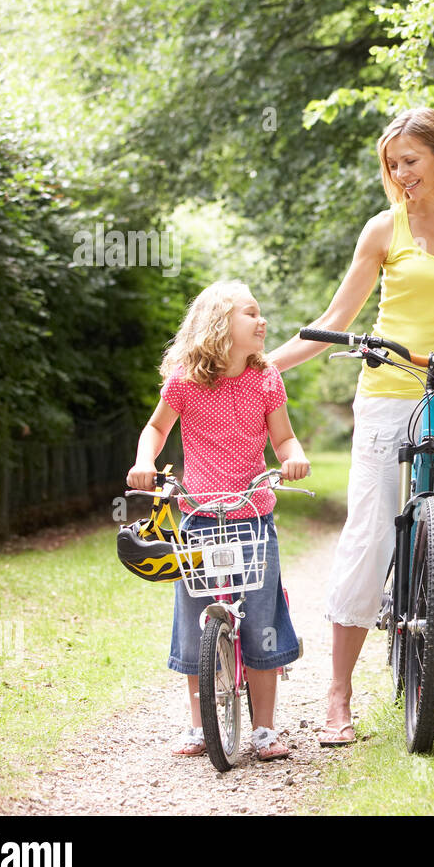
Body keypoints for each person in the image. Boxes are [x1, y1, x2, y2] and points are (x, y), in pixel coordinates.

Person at [269, 107, 434, 744]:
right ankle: (338, 697)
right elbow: (335, 315)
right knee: (368, 530)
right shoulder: (385, 228)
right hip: (389, 388)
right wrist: (251, 370)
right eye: (392, 165)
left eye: (409, 161)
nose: (399, 174)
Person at [127, 280, 311, 761]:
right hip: (199, 517)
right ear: (219, 326)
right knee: (193, 620)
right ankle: (198, 726)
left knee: (261, 619)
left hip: (251, 517)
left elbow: (285, 440)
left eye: (260, 313)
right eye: (250, 314)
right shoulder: (186, 380)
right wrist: (145, 460)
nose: (262, 321)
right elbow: (156, 427)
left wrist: (295, 457)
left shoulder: (266, 378)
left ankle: (265, 729)